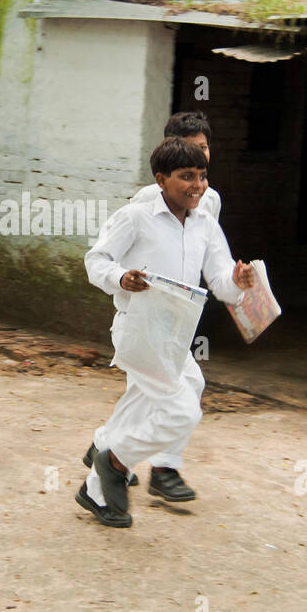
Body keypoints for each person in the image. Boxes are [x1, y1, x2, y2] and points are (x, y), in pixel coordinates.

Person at [76, 138, 254, 528]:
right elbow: (96, 260)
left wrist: (238, 280)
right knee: (182, 411)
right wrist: (121, 278)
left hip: (177, 337)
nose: (197, 185)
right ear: (161, 179)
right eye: (186, 176)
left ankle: (95, 490)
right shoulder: (137, 216)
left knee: (152, 401)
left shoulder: (205, 223)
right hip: (140, 331)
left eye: (202, 176)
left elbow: (221, 280)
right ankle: (116, 461)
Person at [121, 110, 222, 485]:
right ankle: (158, 468)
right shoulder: (147, 200)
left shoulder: (210, 200)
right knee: (167, 392)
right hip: (146, 311)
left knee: (153, 393)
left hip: (181, 311)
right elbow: (115, 254)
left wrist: (233, 282)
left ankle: (110, 453)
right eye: (193, 149)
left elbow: (211, 251)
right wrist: (124, 282)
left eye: (205, 148)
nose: (201, 157)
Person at [130, 111, 221, 220]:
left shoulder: (211, 199)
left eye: (202, 147)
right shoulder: (147, 196)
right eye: (190, 147)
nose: (198, 154)